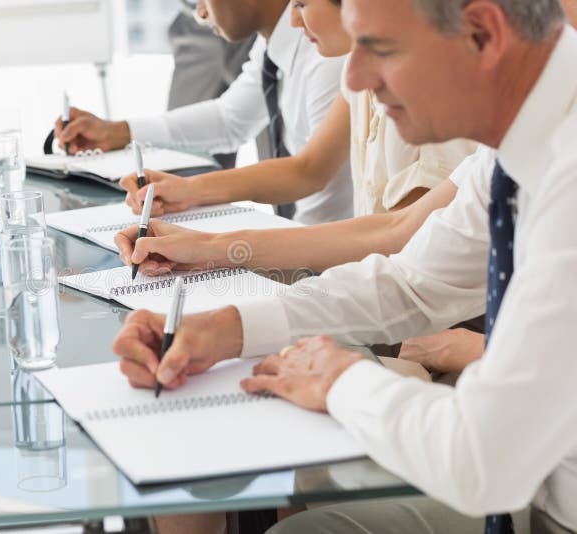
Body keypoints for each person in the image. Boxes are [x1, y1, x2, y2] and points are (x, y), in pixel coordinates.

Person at [112, 1, 577, 533]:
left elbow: (483, 461)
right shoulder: (516, 142)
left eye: (378, 47)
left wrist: (339, 379)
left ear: (482, 32)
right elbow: (409, 282)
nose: (353, 77)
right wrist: (225, 327)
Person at [115, 0, 481, 375]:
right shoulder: (483, 164)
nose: (350, 77)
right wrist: (207, 250)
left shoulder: (434, 100)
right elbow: (394, 237)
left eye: (303, 2)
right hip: (388, 300)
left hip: (430, 333)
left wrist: (214, 253)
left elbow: (402, 248)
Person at [55, 0, 354, 226]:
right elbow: (230, 120)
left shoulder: (328, 55)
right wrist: (117, 132)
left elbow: (312, 177)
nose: (198, 13)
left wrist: (191, 192)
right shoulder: (278, 43)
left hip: (334, 259)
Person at [166, 5, 257, 169]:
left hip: (259, 22)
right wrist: (124, 131)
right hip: (197, 24)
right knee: (185, 160)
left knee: (282, 157)